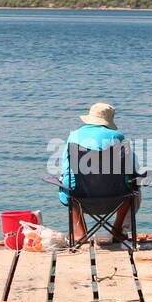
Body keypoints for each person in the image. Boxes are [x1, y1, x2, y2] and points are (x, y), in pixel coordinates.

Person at [59, 102, 139, 242]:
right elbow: (131, 169)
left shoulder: (74, 136)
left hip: (80, 197)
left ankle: (79, 233)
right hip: (116, 198)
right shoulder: (118, 137)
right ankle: (117, 231)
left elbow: (65, 169)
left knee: (70, 183)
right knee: (134, 188)